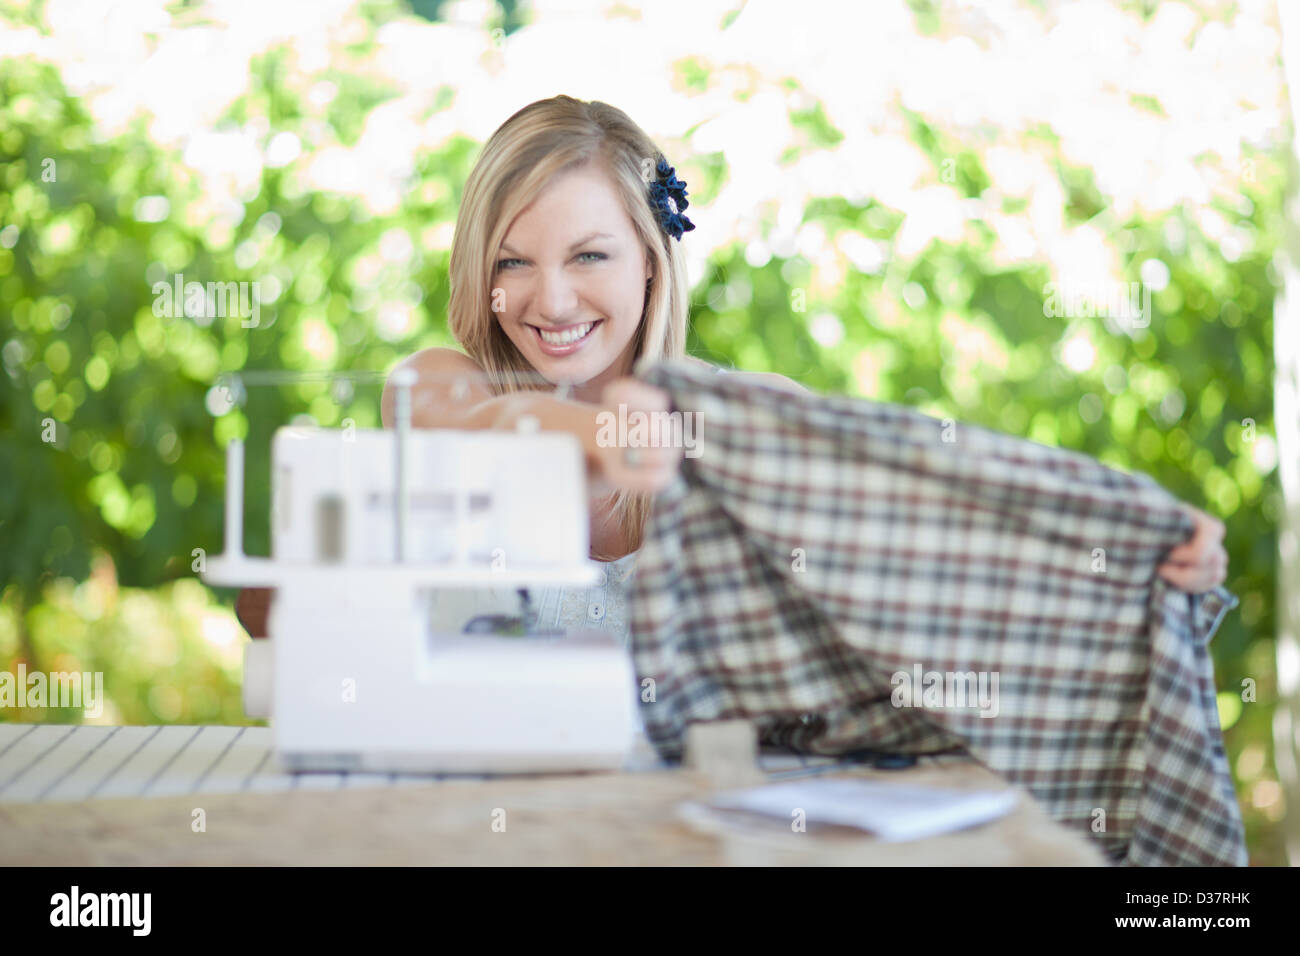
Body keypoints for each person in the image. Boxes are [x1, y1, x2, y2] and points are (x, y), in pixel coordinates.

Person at [234, 94, 1227, 640]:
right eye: (513, 261)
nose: (551, 300)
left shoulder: (751, 424)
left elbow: (941, 526)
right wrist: (615, 433)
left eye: (589, 256)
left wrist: (1131, 546)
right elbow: (264, 610)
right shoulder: (438, 383)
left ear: (651, 259)